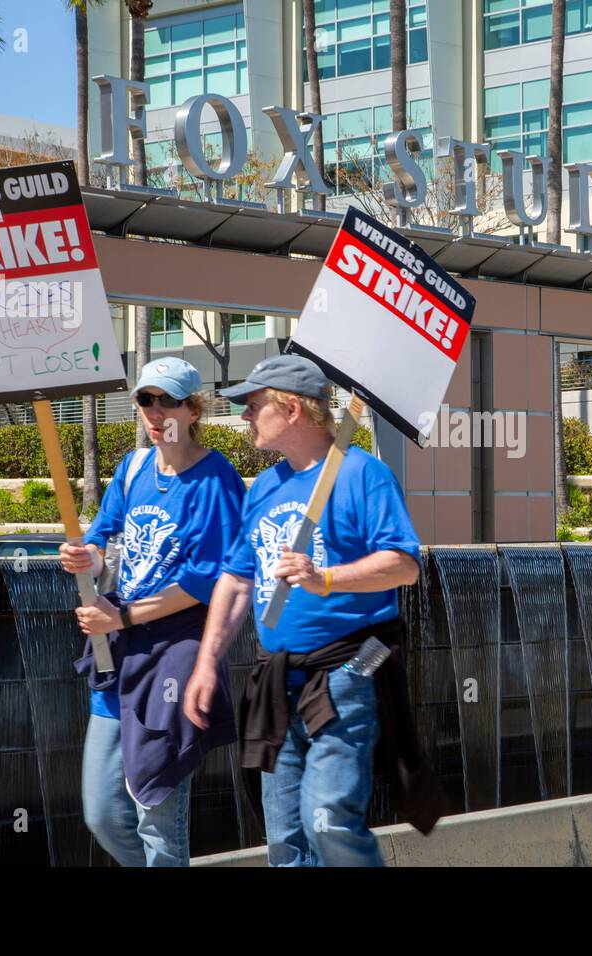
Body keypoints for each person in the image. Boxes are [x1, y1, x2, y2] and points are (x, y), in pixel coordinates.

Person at [182, 354, 442, 867]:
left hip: (356, 661)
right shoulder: (266, 488)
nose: (245, 417)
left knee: (328, 816)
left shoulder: (364, 475)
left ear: (293, 409)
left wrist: (324, 578)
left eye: (254, 406)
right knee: (285, 836)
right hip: (278, 676)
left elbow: (403, 565)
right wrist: (207, 663)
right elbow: (236, 579)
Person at [60, 356, 247, 866]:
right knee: (101, 811)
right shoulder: (133, 466)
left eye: (168, 400)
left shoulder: (215, 478)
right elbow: (104, 539)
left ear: (193, 410)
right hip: (118, 651)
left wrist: (119, 617)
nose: (155, 410)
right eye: (146, 399)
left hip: (175, 652)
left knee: (156, 813)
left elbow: (205, 581)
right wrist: (86, 557)